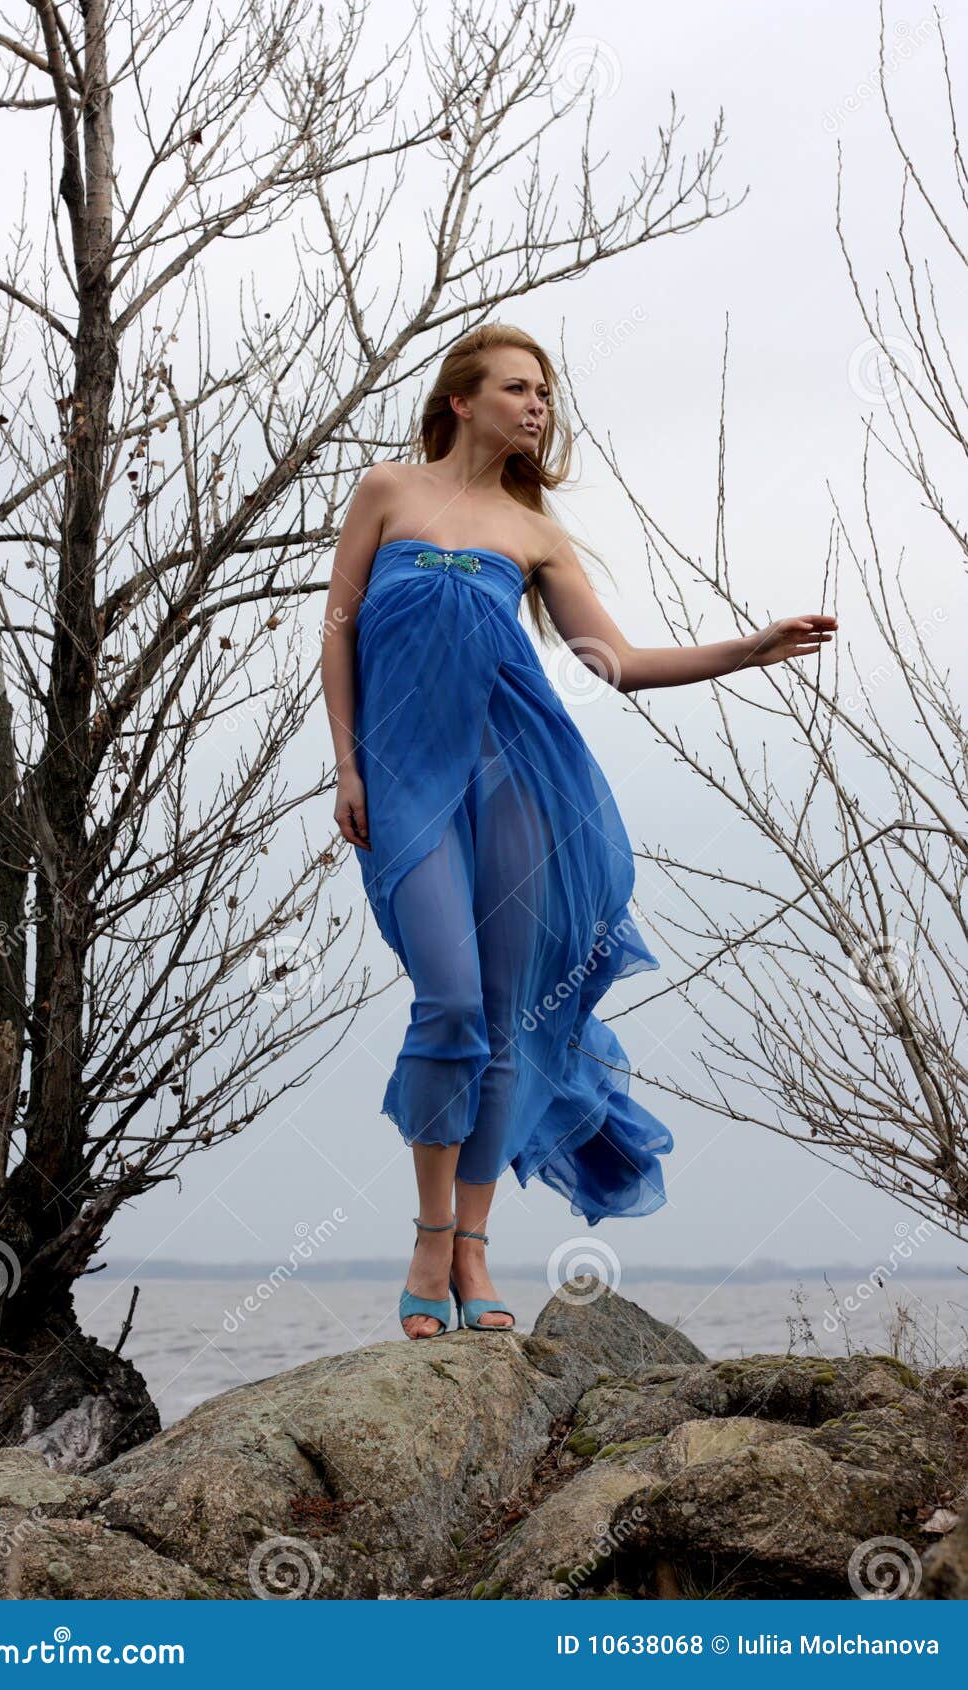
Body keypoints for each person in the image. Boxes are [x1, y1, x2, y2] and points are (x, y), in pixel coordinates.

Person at [320, 323, 836, 1340]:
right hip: (403, 783)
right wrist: (346, 762)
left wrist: (744, 648)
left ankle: (470, 1247)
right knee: (451, 1002)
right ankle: (430, 1232)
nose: (537, 407)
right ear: (462, 399)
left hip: (521, 779)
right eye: (518, 388)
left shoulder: (534, 534)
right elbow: (335, 630)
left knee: (508, 1010)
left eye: (545, 394)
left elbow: (615, 662)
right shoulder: (385, 492)